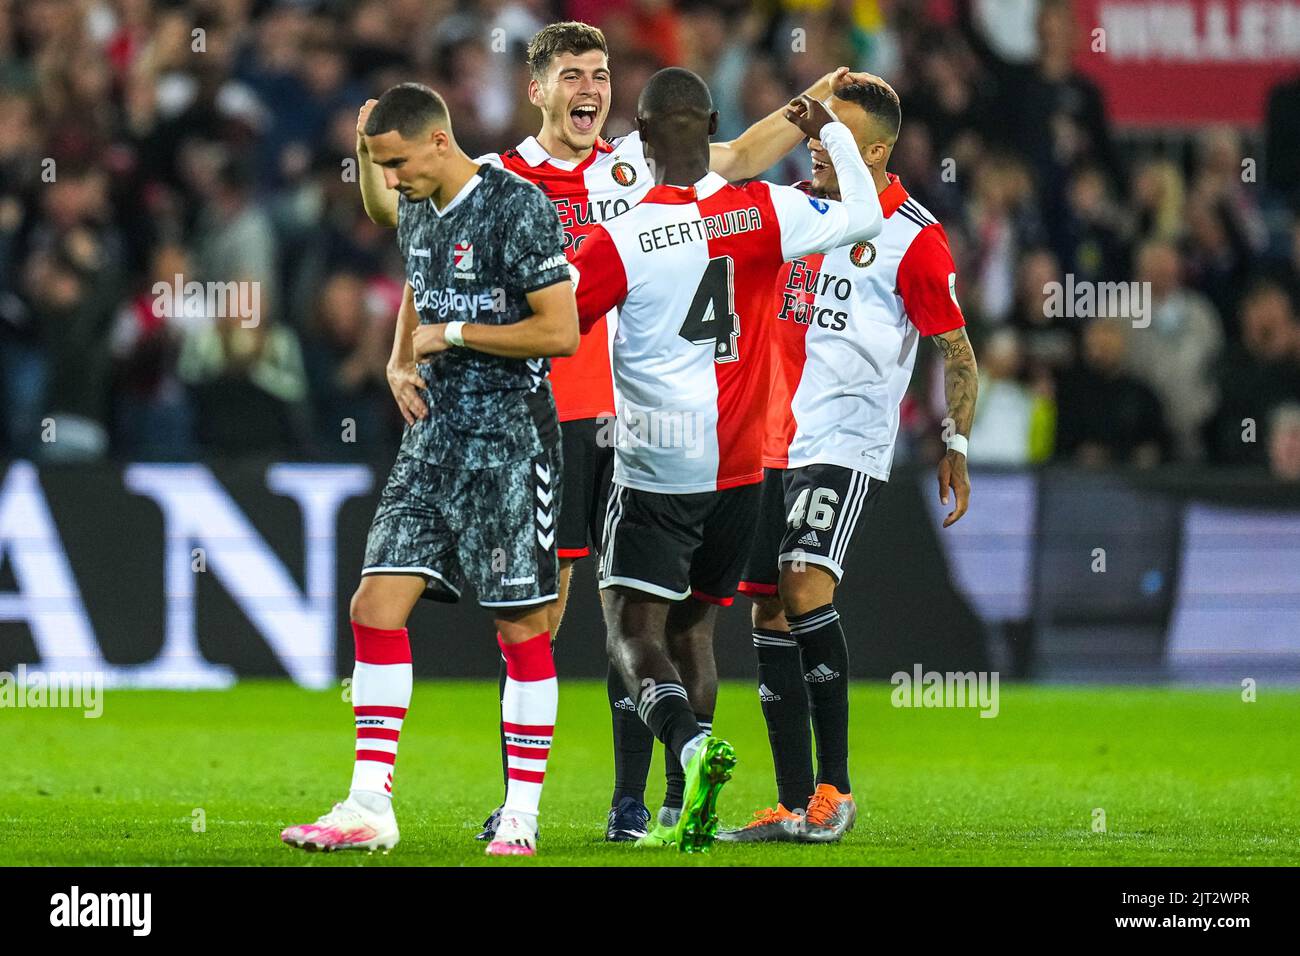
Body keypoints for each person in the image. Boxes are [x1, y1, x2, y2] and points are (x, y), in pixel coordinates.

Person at [355, 20, 872, 843]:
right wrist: (397, 354)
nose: (590, 89)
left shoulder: (636, 169)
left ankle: (637, 805)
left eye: (599, 74)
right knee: (546, 619)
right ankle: (529, 799)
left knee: (643, 616)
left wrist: (819, 99)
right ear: (537, 89)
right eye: (571, 75)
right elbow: (422, 238)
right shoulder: (495, 177)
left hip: (632, 422)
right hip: (549, 422)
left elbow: (732, 155)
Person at [570, 67, 884, 852]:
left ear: (641, 142)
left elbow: (555, 322)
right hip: (746, 467)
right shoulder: (766, 209)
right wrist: (828, 129)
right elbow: (865, 211)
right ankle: (679, 809)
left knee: (629, 629)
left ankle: (687, 749)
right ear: (710, 124)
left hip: (656, 466)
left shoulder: (620, 237)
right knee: (698, 632)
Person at [280, 82, 577, 858]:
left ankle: (521, 814)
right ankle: (368, 805)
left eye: (398, 162)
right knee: (373, 607)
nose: (390, 179)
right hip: (432, 435)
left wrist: (456, 333)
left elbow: (562, 330)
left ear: (441, 142)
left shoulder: (517, 206)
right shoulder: (414, 197)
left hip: (511, 440)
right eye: (380, 163)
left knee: (519, 630)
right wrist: (398, 353)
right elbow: (407, 248)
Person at [726, 77, 978, 844]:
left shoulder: (914, 235)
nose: (815, 142)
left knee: (805, 583)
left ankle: (836, 792)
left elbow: (956, 352)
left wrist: (955, 442)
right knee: (767, 606)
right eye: (815, 130)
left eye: (835, 132)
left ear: (875, 150)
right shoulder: (798, 209)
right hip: (771, 439)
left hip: (844, 441)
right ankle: (792, 801)